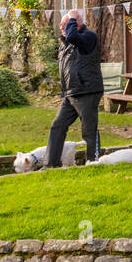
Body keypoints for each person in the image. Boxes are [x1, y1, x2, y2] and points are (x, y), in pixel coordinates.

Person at [48, 9, 103, 166]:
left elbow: (73, 36)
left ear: (76, 24)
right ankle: (51, 164)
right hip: (70, 93)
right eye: (61, 25)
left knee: (89, 129)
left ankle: (93, 161)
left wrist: (72, 17)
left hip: (87, 90)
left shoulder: (88, 37)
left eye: (64, 24)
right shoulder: (65, 44)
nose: (61, 28)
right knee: (57, 126)